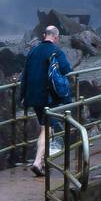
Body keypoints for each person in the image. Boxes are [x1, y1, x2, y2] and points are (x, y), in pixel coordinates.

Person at [18, 25, 72, 177]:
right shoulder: (56, 51)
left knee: (45, 126)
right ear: (56, 37)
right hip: (47, 96)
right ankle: (37, 162)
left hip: (32, 96)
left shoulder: (33, 50)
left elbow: (25, 75)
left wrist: (21, 97)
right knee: (47, 128)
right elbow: (67, 69)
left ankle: (43, 161)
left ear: (44, 35)